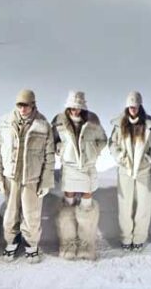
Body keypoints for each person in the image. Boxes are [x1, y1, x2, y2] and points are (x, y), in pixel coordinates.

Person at [0, 89, 54, 264]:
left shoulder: (43, 125)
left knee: (31, 214)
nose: (23, 109)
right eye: (19, 105)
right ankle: (11, 242)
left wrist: (46, 181)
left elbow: (49, 156)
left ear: (33, 105)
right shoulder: (6, 122)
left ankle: (31, 245)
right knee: (10, 213)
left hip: (32, 178)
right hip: (10, 177)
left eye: (26, 105)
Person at [52, 91, 108, 260]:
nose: (75, 110)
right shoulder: (59, 121)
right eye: (72, 107)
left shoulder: (92, 121)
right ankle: (68, 243)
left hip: (87, 168)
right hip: (70, 167)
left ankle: (86, 244)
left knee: (87, 202)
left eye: (78, 107)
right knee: (68, 202)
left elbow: (103, 140)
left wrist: (94, 151)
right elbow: (52, 141)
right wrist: (61, 150)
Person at [109, 91, 151, 251]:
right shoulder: (119, 125)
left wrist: (148, 159)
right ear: (127, 107)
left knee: (144, 205)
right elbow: (112, 144)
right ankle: (126, 238)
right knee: (125, 206)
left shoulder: (149, 125)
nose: (133, 109)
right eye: (130, 107)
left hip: (144, 170)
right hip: (125, 170)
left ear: (140, 106)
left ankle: (139, 238)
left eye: (135, 106)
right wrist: (120, 157)